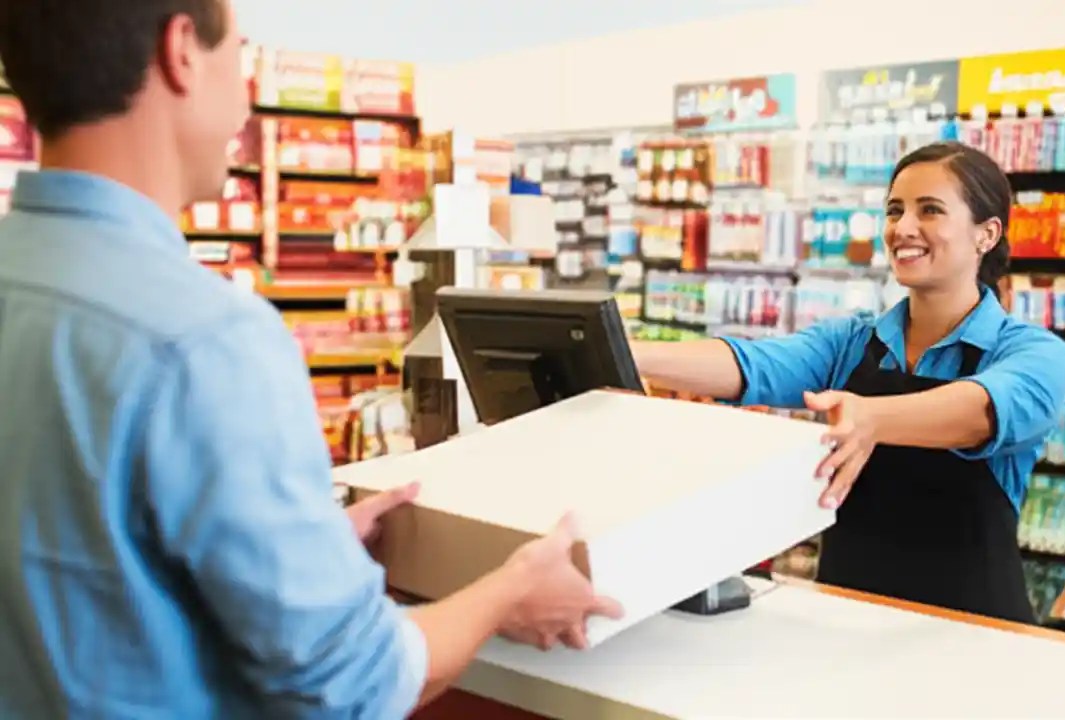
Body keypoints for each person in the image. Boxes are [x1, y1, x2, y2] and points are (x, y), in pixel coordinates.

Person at [0, 1, 619, 717]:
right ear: (181, 52)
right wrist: (508, 591)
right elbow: (350, 686)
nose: (245, 94)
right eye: (242, 49)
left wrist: (293, 547)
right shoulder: (206, 338)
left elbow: (90, 565)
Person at [633, 141, 1065, 624]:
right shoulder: (850, 341)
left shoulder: (1035, 353)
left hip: (974, 638)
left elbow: (981, 412)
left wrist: (873, 418)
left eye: (930, 210)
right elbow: (751, 365)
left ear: (986, 234)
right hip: (844, 624)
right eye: (894, 210)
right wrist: (627, 353)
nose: (902, 228)